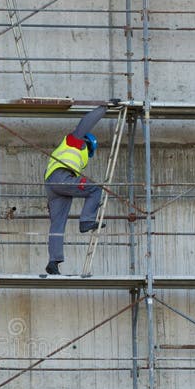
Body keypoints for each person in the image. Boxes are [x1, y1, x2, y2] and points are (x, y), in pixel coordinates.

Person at [44, 100, 119, 275]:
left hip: (53, 183)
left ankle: (53, 262)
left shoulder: (67, 151)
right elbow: (86, 122)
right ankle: (86, 221)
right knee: (95, 188)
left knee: (58, 223)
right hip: (61, 177)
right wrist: (105, 107)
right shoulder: (75, 140)